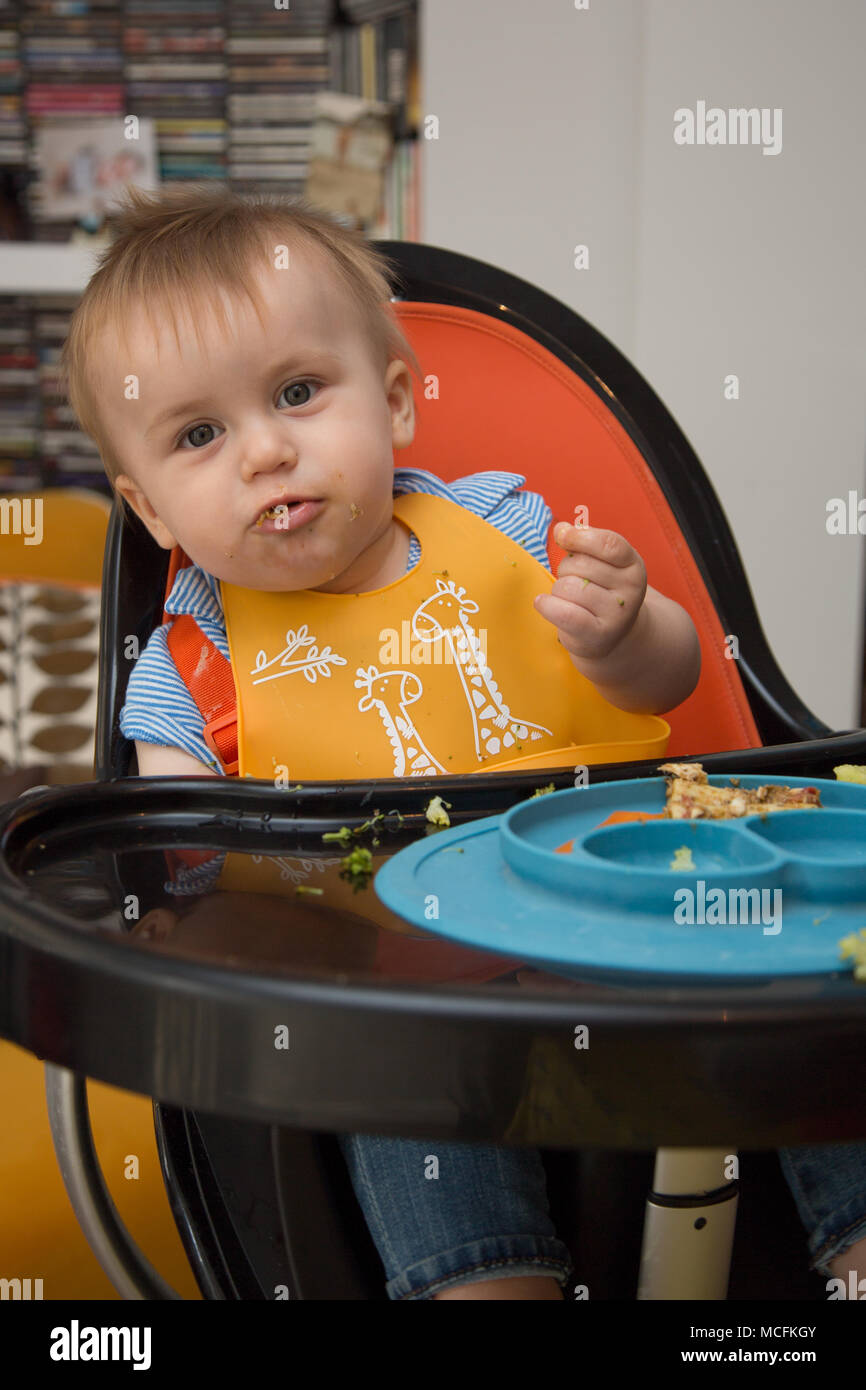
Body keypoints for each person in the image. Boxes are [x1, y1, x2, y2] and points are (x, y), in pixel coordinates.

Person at [59, 183, 865, 1299]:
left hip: (618, 911)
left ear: (393, 404)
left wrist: (626, 630)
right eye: (200, 433)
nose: (264, 453)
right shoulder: (188, 670)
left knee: (792, 977)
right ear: (150, 509)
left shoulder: (500, 525)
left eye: (298, 392)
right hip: (407, 995)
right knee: (397, 1095)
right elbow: (186, 881)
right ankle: (487, 1280)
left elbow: (674, 684)